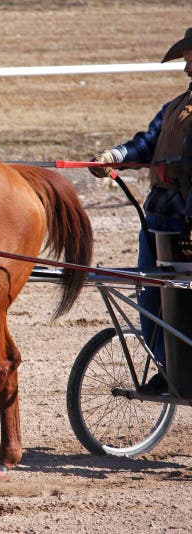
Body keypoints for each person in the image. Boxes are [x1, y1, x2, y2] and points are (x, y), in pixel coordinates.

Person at [91, 28, 192, 393]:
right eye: (187, 56)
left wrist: (175, 169)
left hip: (187, 226)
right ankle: (168, 370)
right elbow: (146, 142)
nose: (187, 63)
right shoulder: (174, 108)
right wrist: (114, 156)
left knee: (182, 302)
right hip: (159, 221)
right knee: (149, 297)